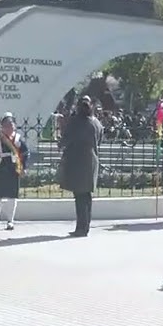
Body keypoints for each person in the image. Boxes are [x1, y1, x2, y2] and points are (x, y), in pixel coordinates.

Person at [58, 96, 104, 236]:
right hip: (92, 161)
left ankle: (81, 228)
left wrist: (60, 143)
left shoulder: (76, 122)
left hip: (77, 161)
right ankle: (85, 226)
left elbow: (66, 139)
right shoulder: (97, 123)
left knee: (79, 196)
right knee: (87, 196)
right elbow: (100, 141)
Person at [0, 112, 28, 231]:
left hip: (13, 169)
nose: (9, 127)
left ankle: (10, 220)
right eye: (6, 125)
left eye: (11, 124)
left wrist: (23, 167)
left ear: (15, 126)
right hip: (1, 168)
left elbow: (25, 153)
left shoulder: (18, 139)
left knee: (12, 196)